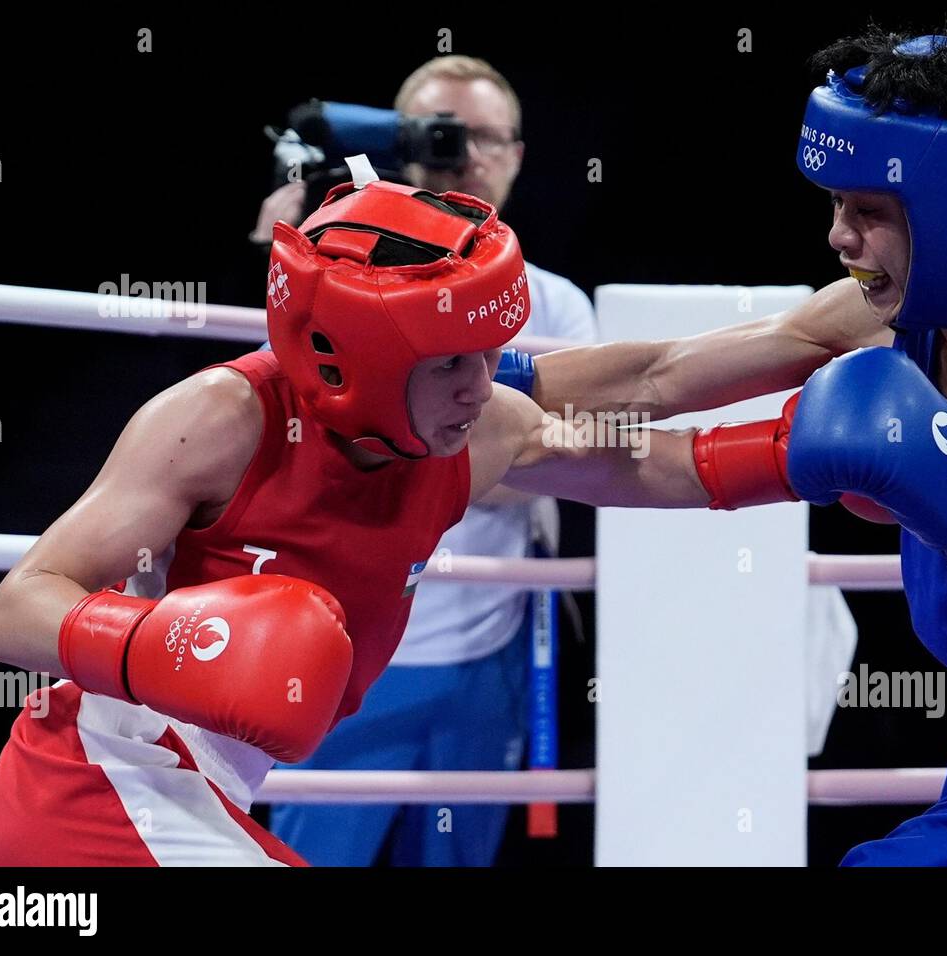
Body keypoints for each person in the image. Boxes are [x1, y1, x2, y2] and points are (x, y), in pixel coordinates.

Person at [523, 30, 947, 864]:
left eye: (869, 212)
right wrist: (472, 373)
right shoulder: (888, 315)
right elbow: (660, 378)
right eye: (837, 206)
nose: (839, 239)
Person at [0, 169, 739, 866]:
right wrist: (173, 647)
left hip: (201, 795)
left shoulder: (471, 426)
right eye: (450, 362)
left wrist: (794, 447)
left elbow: (648, 428)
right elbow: (13, 609)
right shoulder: (217, 418)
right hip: (100, 779)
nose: (479, 386)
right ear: (367, 358)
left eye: (486, 355)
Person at [258, 56, 597, 867]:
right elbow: (295, 443)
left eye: (485, 137)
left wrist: (404, 457)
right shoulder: (326, 277)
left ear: (518, 153)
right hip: (341, 647)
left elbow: (575, 454)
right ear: (401, 144)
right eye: (442, 133)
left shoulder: (551, 305)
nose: (463, 154)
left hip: (490, 653)